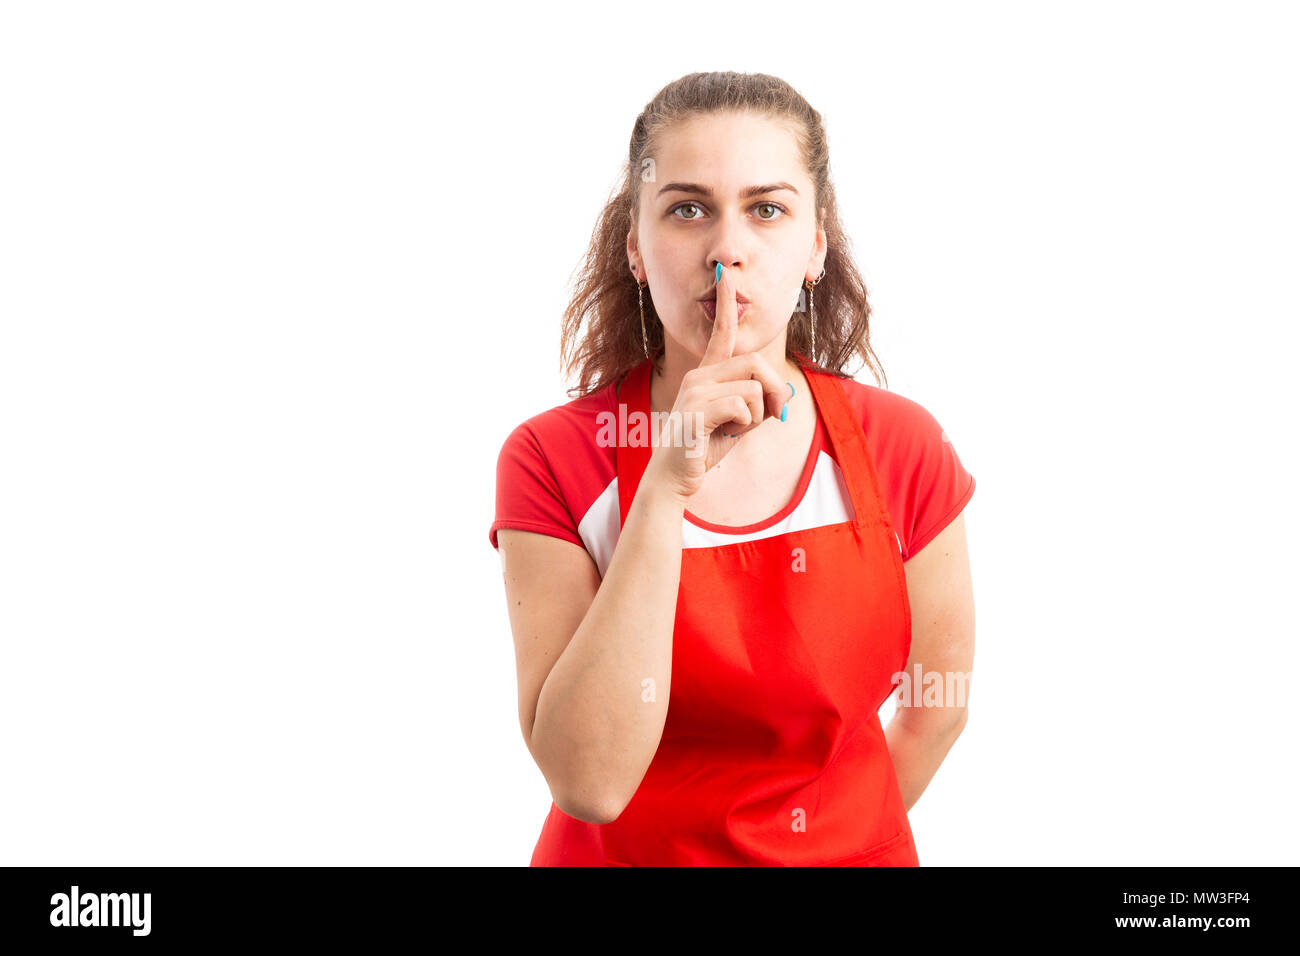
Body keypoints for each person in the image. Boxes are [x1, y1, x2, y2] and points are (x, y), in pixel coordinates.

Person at [489, 71, 976, 866]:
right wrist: (664, 488)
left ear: (815, 245)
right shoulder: (553, 460)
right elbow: (588, 781)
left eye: (767, 209)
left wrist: (828, 840)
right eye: (687, 210)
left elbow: (937, 710)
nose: (727, 251)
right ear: (635, 250)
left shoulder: (903, 448)